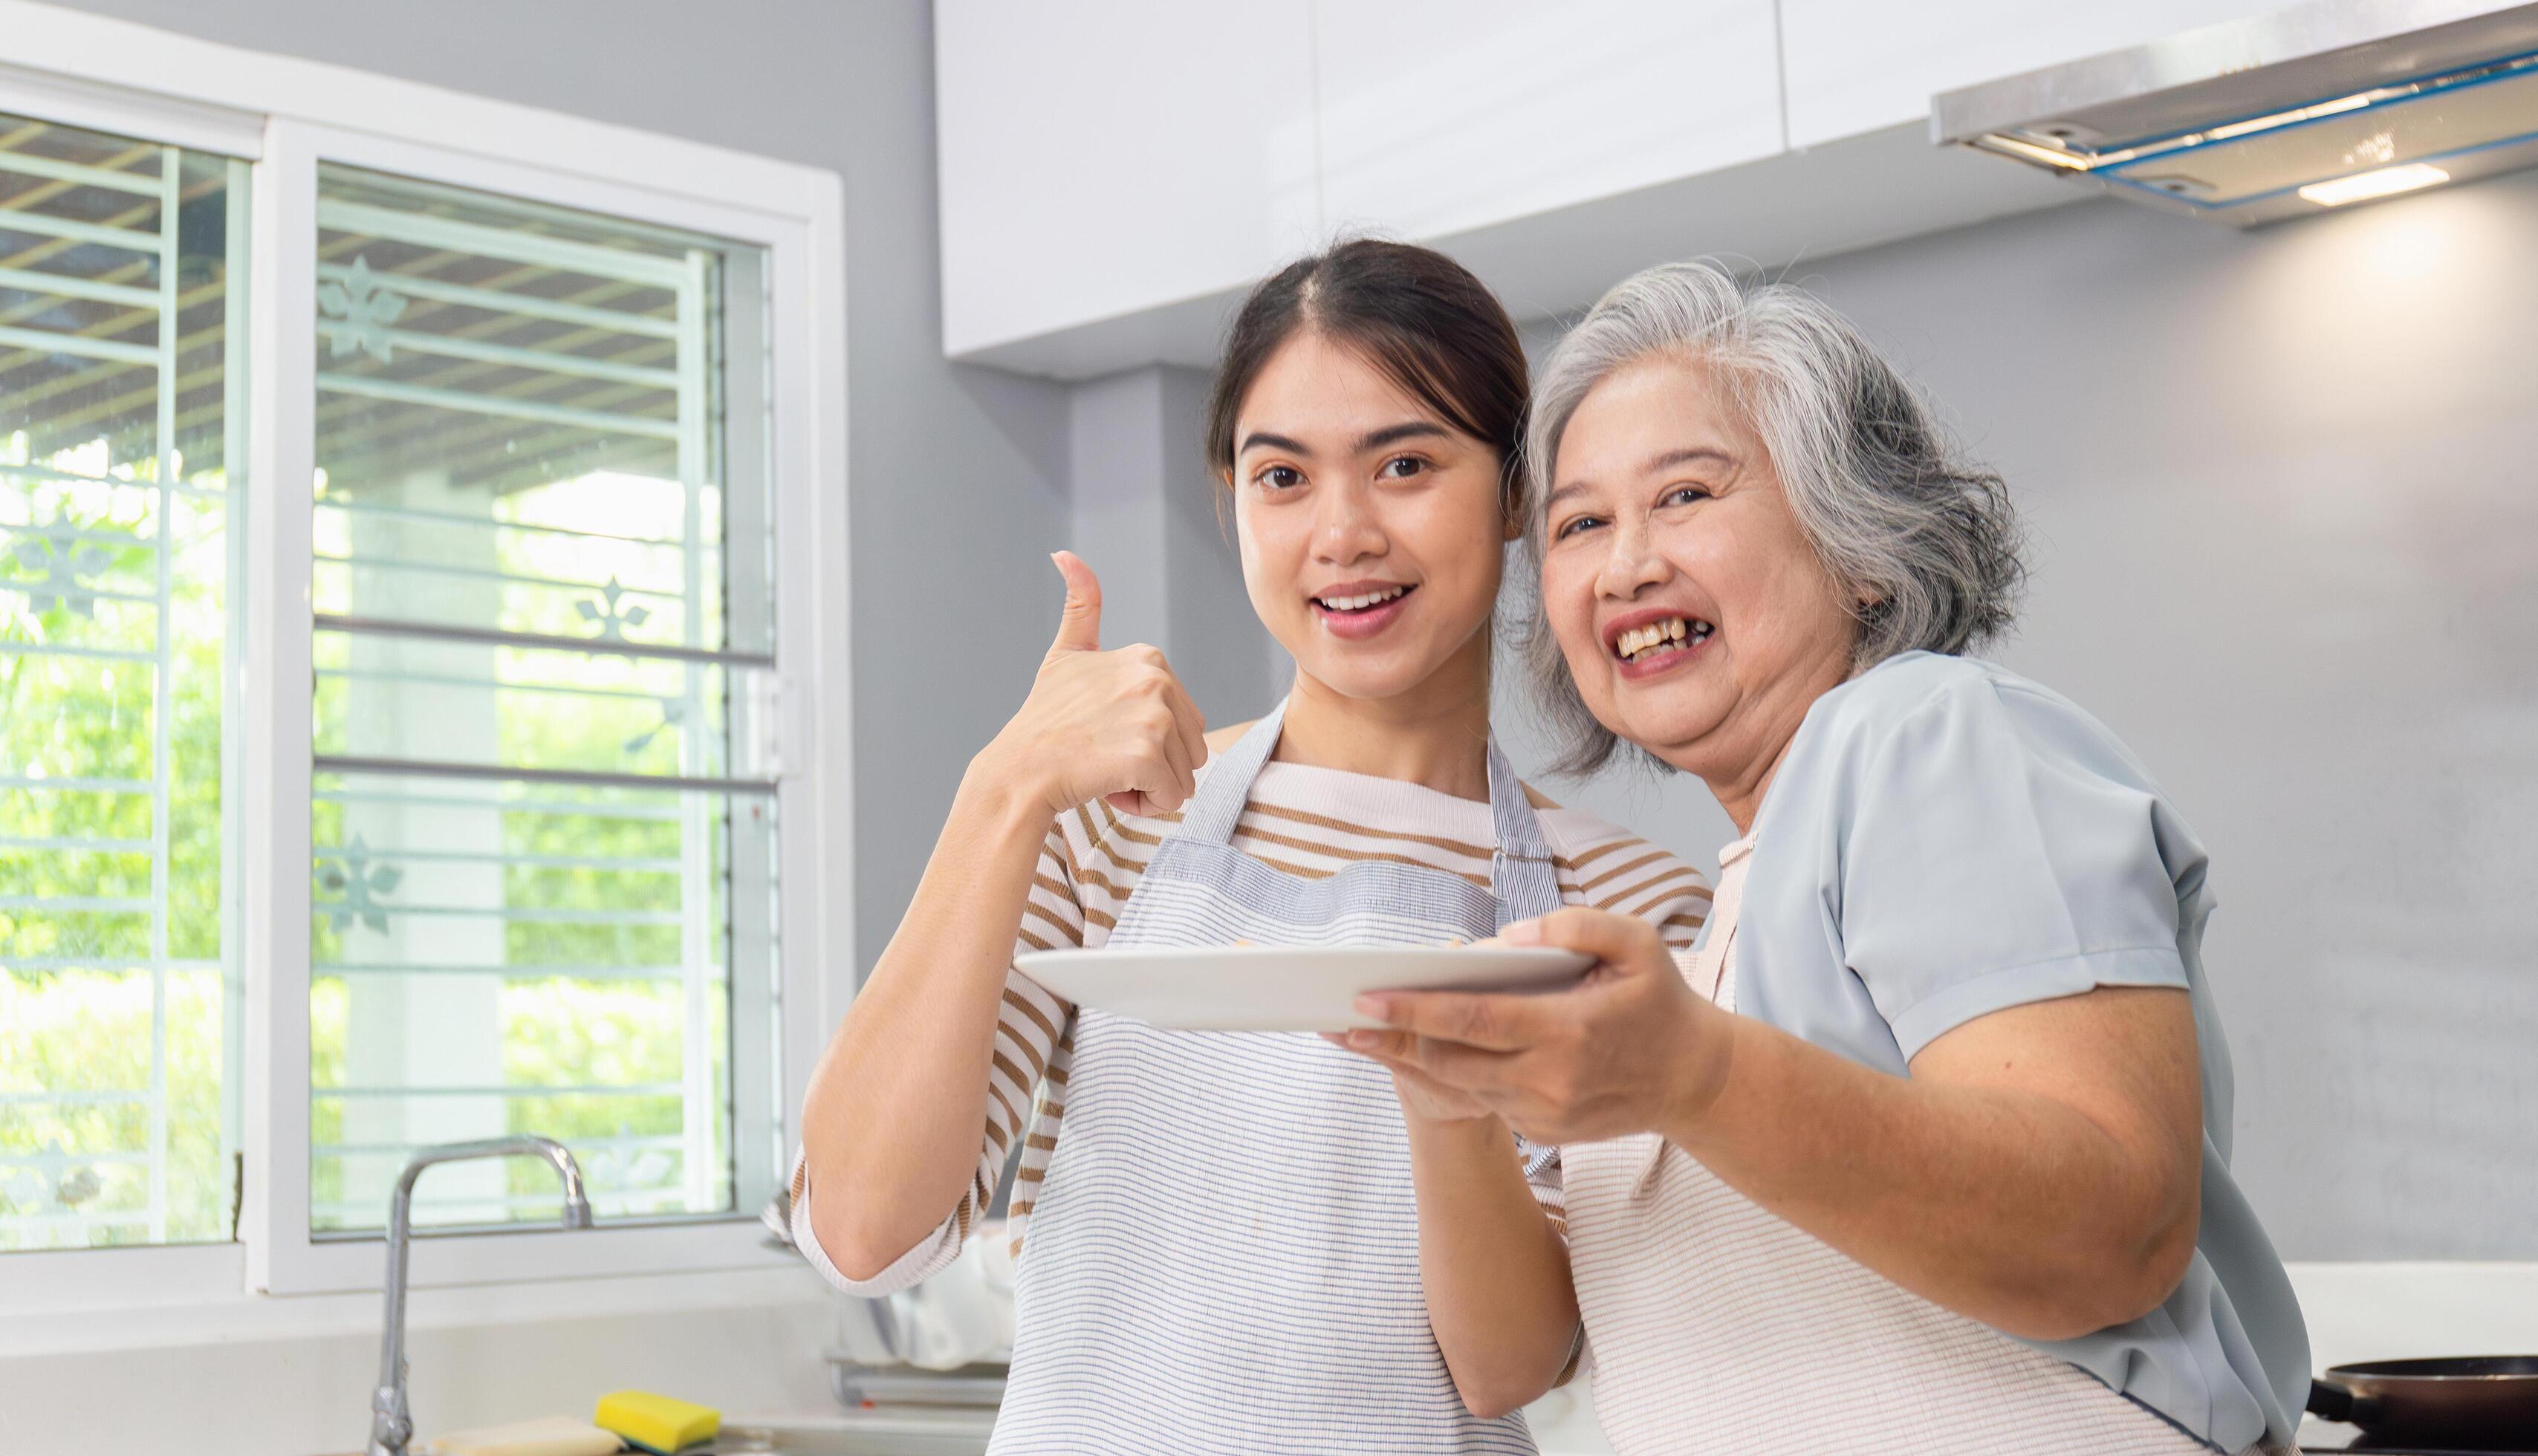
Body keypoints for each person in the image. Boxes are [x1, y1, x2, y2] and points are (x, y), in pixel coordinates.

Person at [1336, 260, 2308, 1455]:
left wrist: (1688, 1075)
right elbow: (1503, 1372)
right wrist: (1446, 1103)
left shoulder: (1930, 730)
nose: (1625, 564)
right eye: (1580, 523)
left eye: (1686, 494)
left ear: (1858, 541)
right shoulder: (1730, 917)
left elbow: (2109, 1230)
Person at [785, 240, 1713, 1454]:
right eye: (1283, 477)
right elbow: (861, 1236)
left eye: (1407, 464)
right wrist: (1002, 790)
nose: (1343, 534)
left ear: (1515, 495)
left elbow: (1513, 1368)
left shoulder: (1630, 906)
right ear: (1231, 500)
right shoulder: (1106, 830)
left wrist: (1445, 1091)